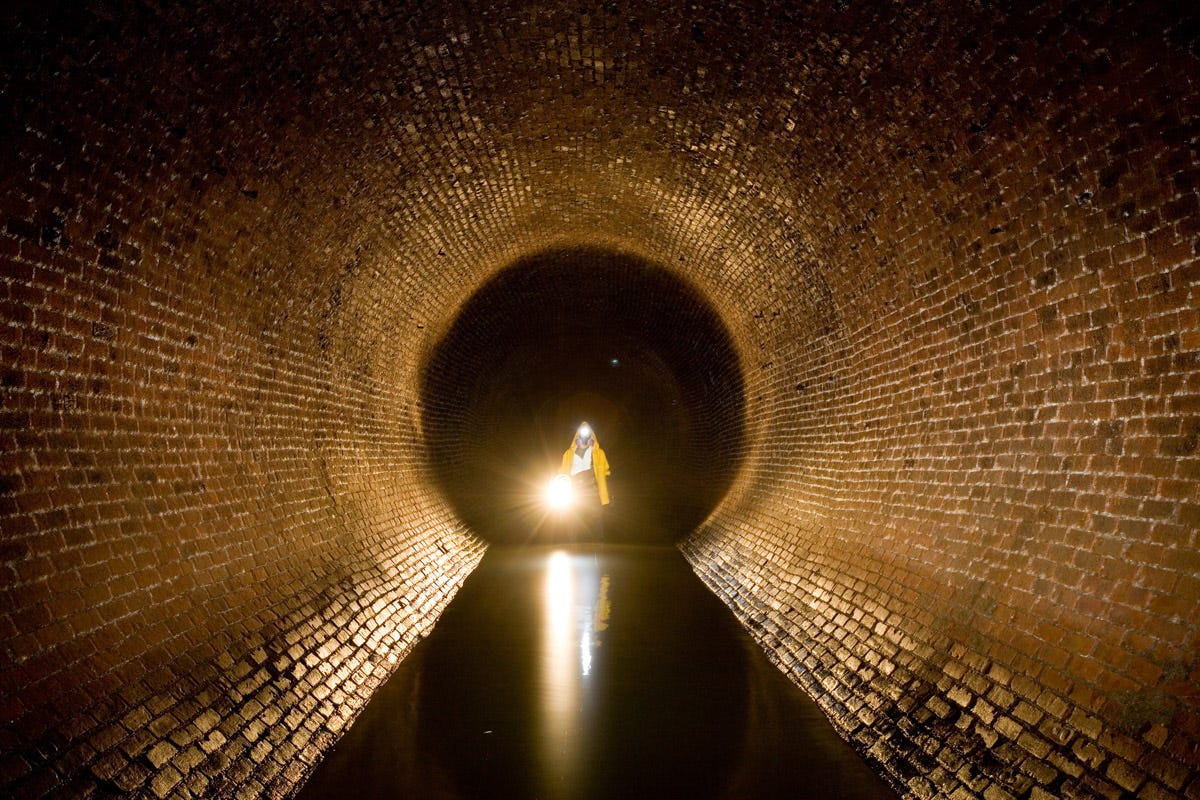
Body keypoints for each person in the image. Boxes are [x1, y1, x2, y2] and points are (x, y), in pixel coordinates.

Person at [559, 422, 611, 508]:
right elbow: (562, 474)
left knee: (596, 520)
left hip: (593, 497)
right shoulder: (568, 454)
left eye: (587, 433)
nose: (584, 436)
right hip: (573, 497)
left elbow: (605, 473)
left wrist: (605, 498)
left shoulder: (599, 453)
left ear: (592, 436)